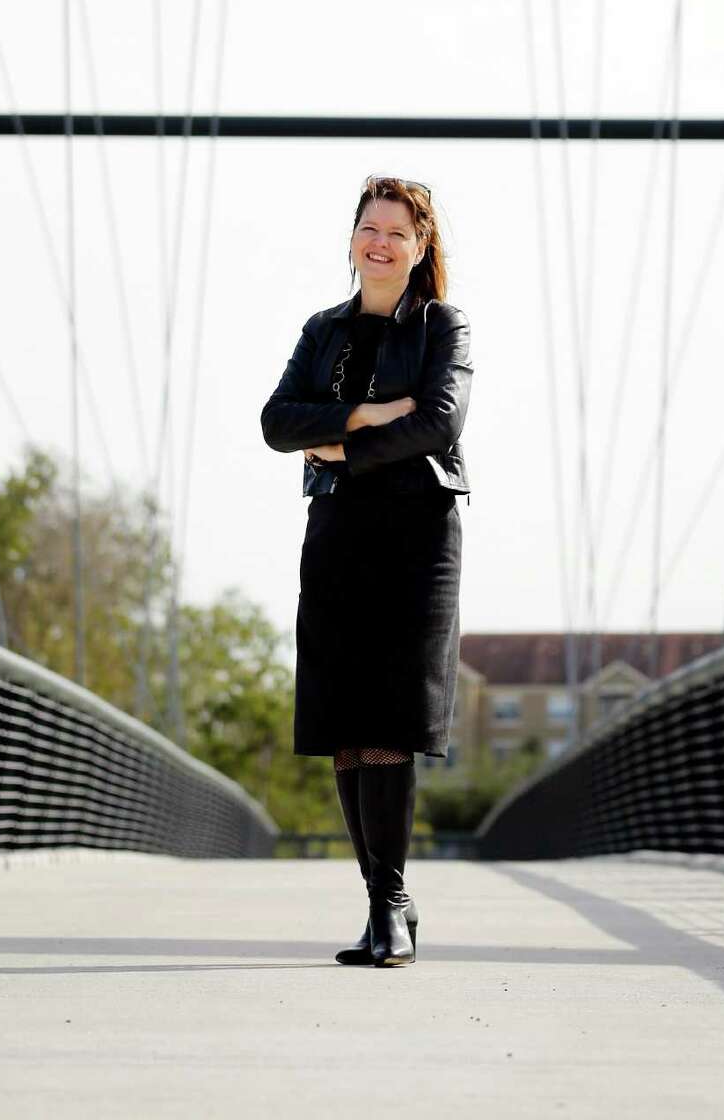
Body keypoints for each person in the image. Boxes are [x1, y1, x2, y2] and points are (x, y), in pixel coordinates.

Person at [260, 175, 473, 967]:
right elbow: (277, 421)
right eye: (369, 229)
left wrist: (341, 449)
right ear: (352, 239)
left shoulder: (443, 325)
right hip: (338, 533)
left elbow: (441, 421)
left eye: (397, 233)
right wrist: (367, 413)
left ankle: (389, 905)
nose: (380, 244)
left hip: (417, 535)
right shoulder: (324, 331)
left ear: (420, 247)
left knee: (388, 721)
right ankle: (385, 901)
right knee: (346, 728)